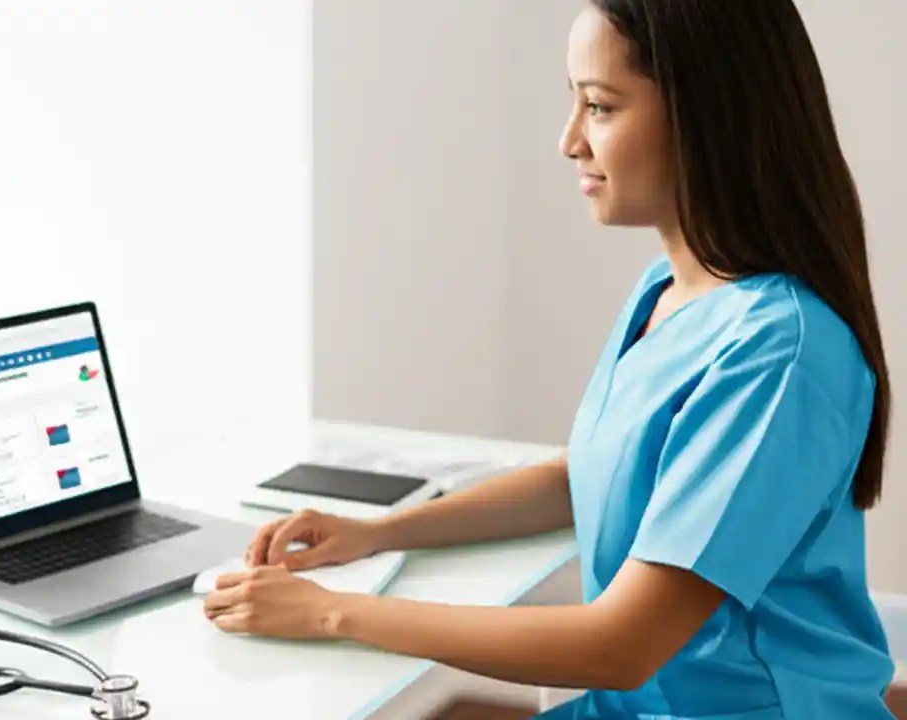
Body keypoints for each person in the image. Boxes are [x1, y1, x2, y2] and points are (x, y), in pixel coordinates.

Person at [201, 1, 896, 717]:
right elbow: (586, 476)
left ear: (707, 114)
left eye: (599, 106)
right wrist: (378, 532)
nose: (569, 142)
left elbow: (621, 645)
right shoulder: (666, 291)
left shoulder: (779, 352)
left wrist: (331, 613)